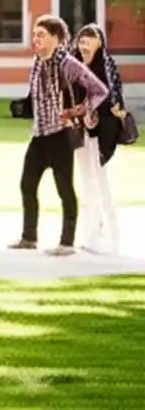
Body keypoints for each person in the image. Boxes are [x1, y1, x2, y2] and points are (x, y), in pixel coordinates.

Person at [9, 15, 107, 256]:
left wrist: (79, 110)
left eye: (41, 35)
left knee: (64, 188)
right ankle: (29, 237)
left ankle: (66, 243)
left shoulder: (67, 63)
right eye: (34, 35)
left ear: (56, 38)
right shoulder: (37, 61)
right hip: (39, 134)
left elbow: (99, 90)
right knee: (27, 184)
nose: (35, 40)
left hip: (60, 135)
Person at [73, 23, 126, 255]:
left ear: (100, 43)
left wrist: (94, 114)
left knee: (102, 182)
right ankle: (91, 232)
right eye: (81, 39)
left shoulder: (106, 66)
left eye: (89, 39)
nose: (84, 43)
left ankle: (114, 235)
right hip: (80, 132)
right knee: (86, 182)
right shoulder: (74, 67)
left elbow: (113, 98)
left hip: (101, 132)